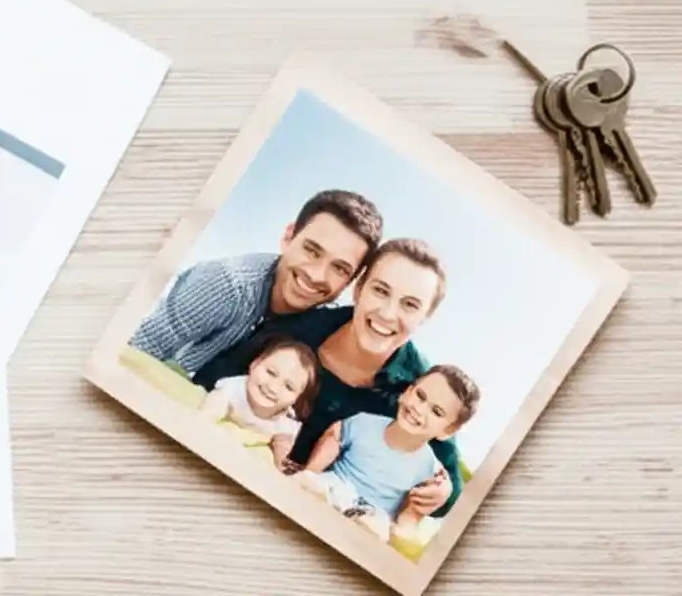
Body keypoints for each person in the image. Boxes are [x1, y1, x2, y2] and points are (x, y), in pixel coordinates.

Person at [192, 237, 464, 519]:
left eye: (410, 305)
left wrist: (439, 493)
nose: (387, 313)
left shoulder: (422, 388)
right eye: (380, 291)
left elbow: (451, 490)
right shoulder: (298, 332)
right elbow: (213, 376)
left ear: (425, 317)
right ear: (359, 289)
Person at [129, 189, 383, 374]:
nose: (317, 275)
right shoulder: (225, 285)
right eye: (312, 251)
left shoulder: (319, 327)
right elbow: (136, 349)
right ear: (288, 236)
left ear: (350, 282)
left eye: (339, 268)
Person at [293, 365, 481, 542]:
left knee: (377, 528)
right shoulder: (364, 422)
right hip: (335, 486)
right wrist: (311, 470)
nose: (419, 409)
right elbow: (334, 436)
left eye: (436, 411)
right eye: (420, 396)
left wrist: (404, 527)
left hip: (373, 514)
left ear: (447, 431)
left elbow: (412, 513)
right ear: (406, 392)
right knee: (313, 484)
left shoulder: (430, 472)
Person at [199, 333, 318, 463]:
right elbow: (204, 419)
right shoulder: (233, 389)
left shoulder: (286, 421)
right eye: (271, 373)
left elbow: (282, 461)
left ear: (297, 399)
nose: (273, 388)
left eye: (289, 387)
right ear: (255, 364)